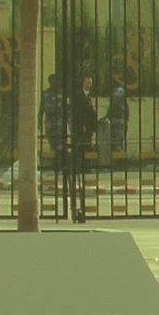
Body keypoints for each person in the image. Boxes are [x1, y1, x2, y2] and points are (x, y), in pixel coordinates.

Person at [67, 74, 98, 223]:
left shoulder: (88, 96)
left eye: (90, 83)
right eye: (86, 82)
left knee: (87, 148)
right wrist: (83, 127)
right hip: (81, 129)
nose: (88, 85)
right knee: (81, 148)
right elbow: (78, 114)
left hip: (87, 129)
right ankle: (80, 167)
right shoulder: (79, 97)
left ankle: (85, 167)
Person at [39, 74, 66, 167]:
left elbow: (67, 107)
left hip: (60, 120)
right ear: (49, 82)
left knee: (60, 141)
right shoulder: (45, 93)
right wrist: (39, 120)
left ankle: (60, 161)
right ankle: (55, 160)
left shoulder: (62, 93)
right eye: (52, 81)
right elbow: (41, 107)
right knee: (52, 141)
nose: (55, 82)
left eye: (56, 81)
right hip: (49, 121)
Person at [105, 80, 130, 162]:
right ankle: (121, 159)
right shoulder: (123, 92)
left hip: (115, 120)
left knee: (116, 141)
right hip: (122, 119)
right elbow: (127, 107)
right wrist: (126, 119)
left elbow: (113, 106)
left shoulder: (115, 93)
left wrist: (107, 116)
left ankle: (118, 160)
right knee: (121, 139)